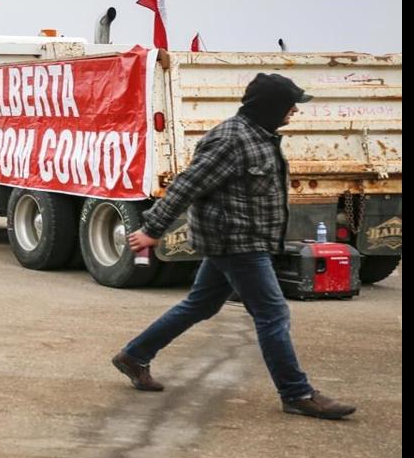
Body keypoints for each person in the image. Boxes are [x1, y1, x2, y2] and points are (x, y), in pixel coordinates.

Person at [111, 73, 356, 420]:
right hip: (237, 243)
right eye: (291, 105)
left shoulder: (260, 137)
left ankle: (134, 356)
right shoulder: (231, 140)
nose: (295, 112)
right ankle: (297, 393)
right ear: (271, 106)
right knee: (273, 315)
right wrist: (153, 229)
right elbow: (186, 185)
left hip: (245, 239)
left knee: (200, 304)